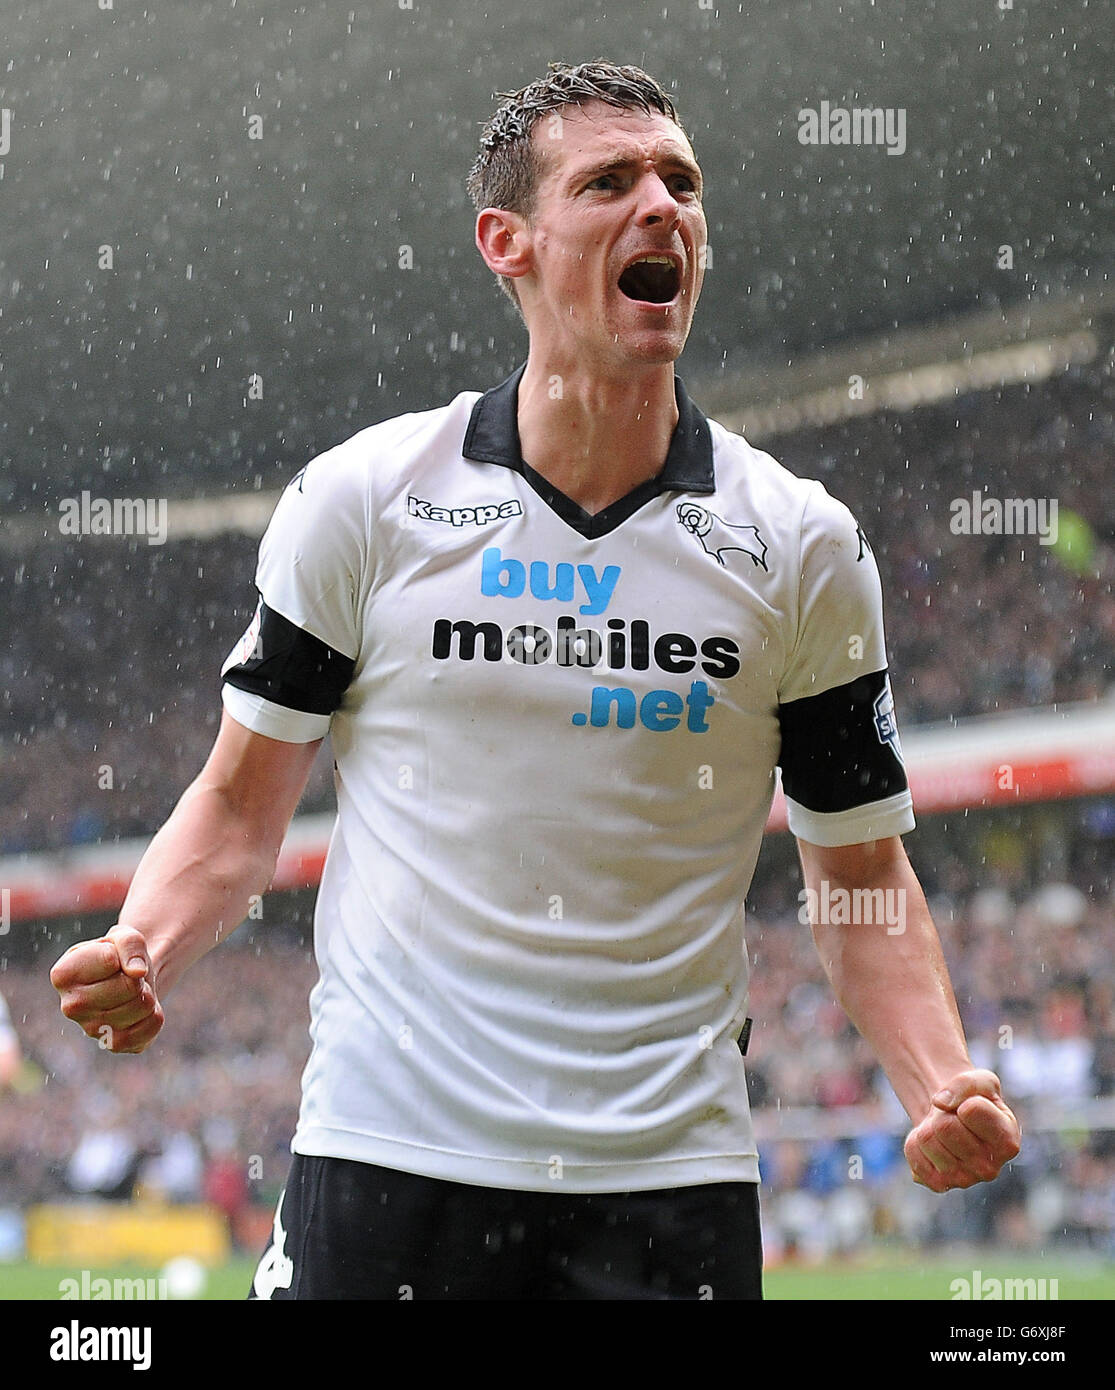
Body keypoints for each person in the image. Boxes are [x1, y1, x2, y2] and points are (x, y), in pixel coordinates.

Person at [50, 60, 1020, 1300]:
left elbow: (859, 871)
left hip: (668, 1184)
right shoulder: (365, 500)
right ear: (504, 243)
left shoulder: (802, 545)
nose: (660, 206)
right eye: (607, 182)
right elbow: (242, 810)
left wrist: (938, 1076)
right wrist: (146, 944)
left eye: (681, 181)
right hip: (386, 1157)